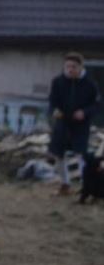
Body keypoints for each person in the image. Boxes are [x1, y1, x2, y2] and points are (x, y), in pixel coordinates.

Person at [48, 52, 100, 196]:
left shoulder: (90, 84)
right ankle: (65, 184)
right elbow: (52, 101)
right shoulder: (58, 82)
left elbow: (96, 105)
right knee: (58, 154)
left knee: (80, 154)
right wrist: (55, 110)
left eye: (73, 67)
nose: (70, 70)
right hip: (62, 122)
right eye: (67, 66)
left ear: (80, 67)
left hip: (81, 124)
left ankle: (86, 185)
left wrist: (84, 112)